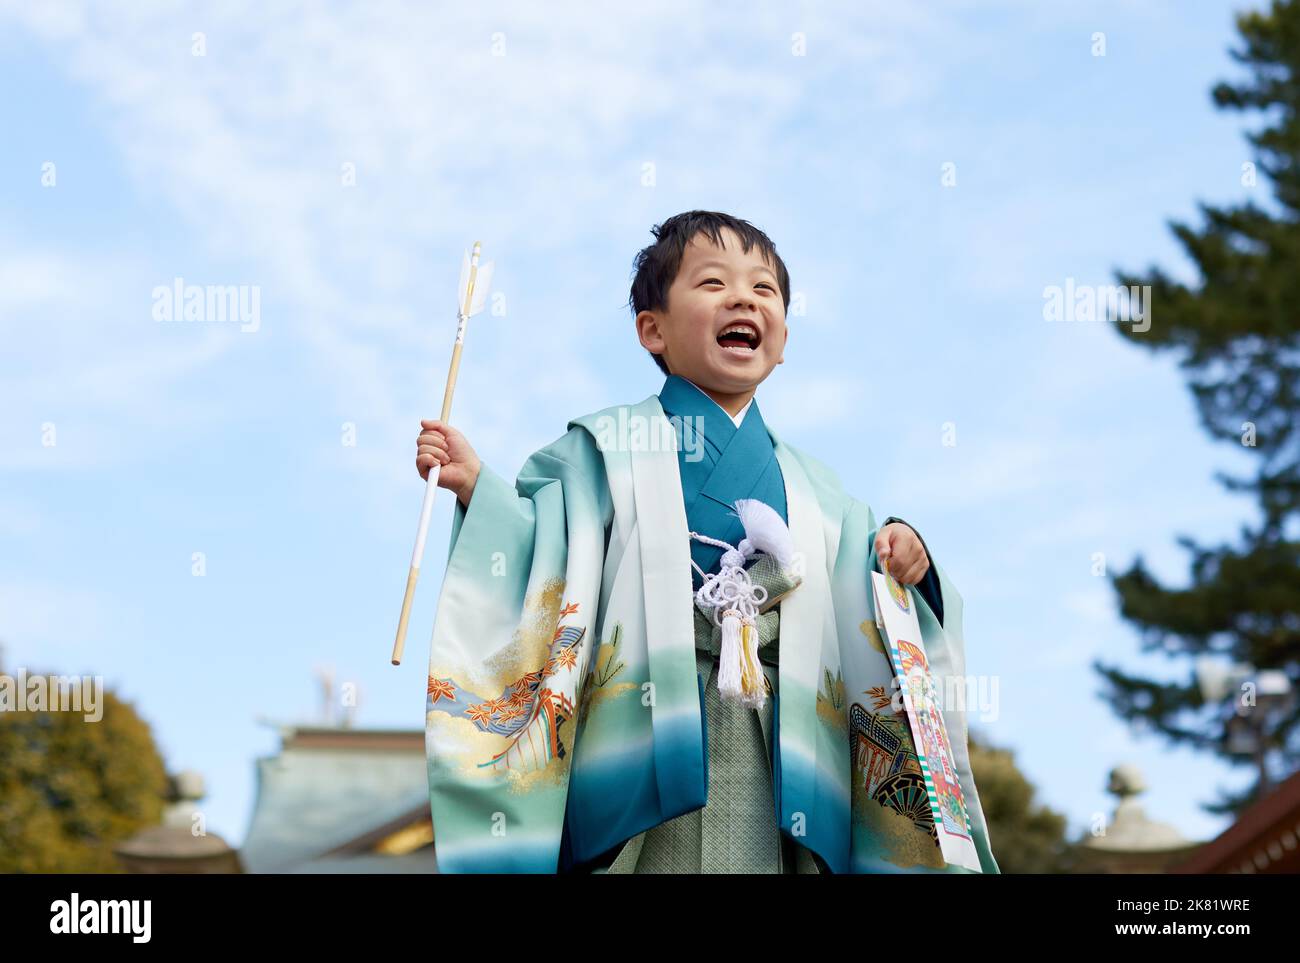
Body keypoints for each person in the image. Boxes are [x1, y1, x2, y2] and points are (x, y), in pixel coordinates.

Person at [416, 211, 999, 874]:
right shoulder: (606, 450)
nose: (744, 298)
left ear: (782, 343)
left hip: (783, 744)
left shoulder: (825, 497)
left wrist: (908, 563)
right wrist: (481, 492)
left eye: (764, 289)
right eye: (714, 282)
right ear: (652, 329)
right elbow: (541, 544)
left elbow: (881, 600)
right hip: (644, 729)